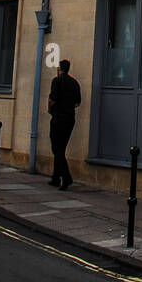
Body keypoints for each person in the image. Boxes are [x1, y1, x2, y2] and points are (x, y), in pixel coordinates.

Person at [48, 59, 81, 189]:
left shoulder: (57, 81)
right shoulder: (74, 83)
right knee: (61, 148)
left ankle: (66, 178)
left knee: (57, 149)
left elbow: (52, 99)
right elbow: (78, 103)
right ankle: (55, 178)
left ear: (60, 69)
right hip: (70, 118)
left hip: (58, 118)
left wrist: (50, 109)